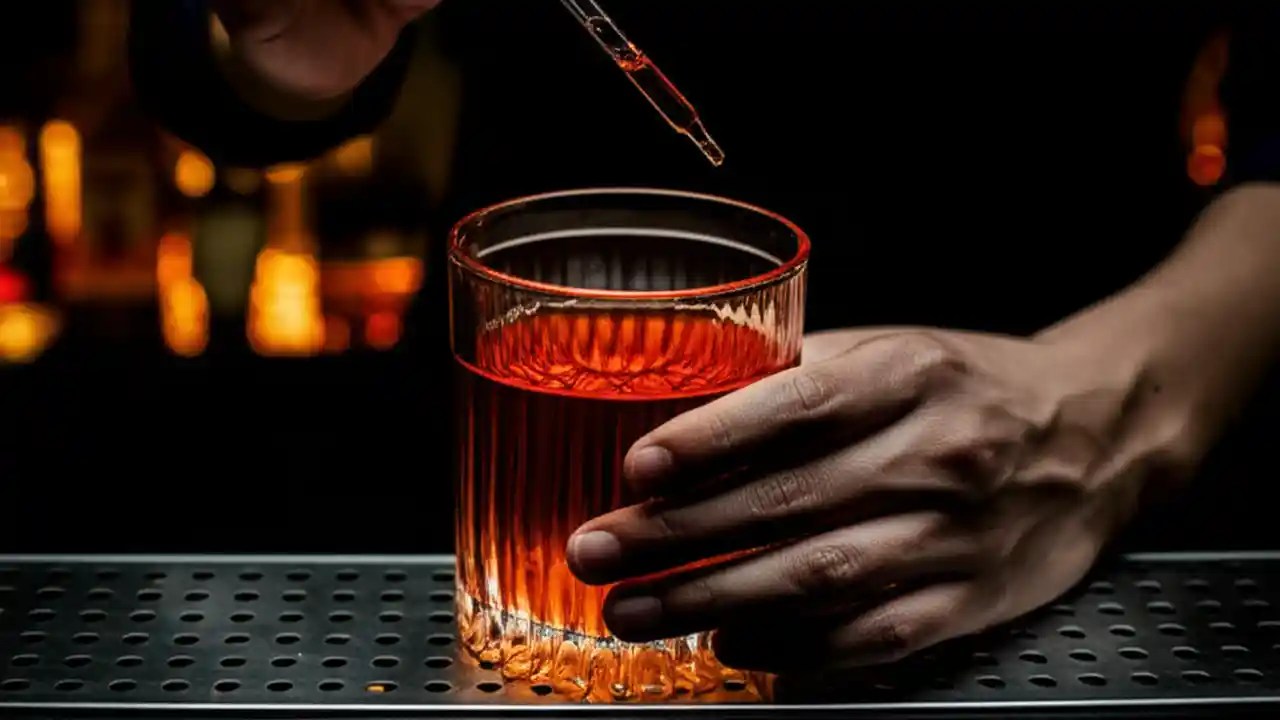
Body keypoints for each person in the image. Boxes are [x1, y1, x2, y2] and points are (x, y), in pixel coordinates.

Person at [129, 0, 1280, 677]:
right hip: (501, 494)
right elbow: (222, 61)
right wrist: (287, 44)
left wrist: (1121, 403)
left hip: (1061, 500)